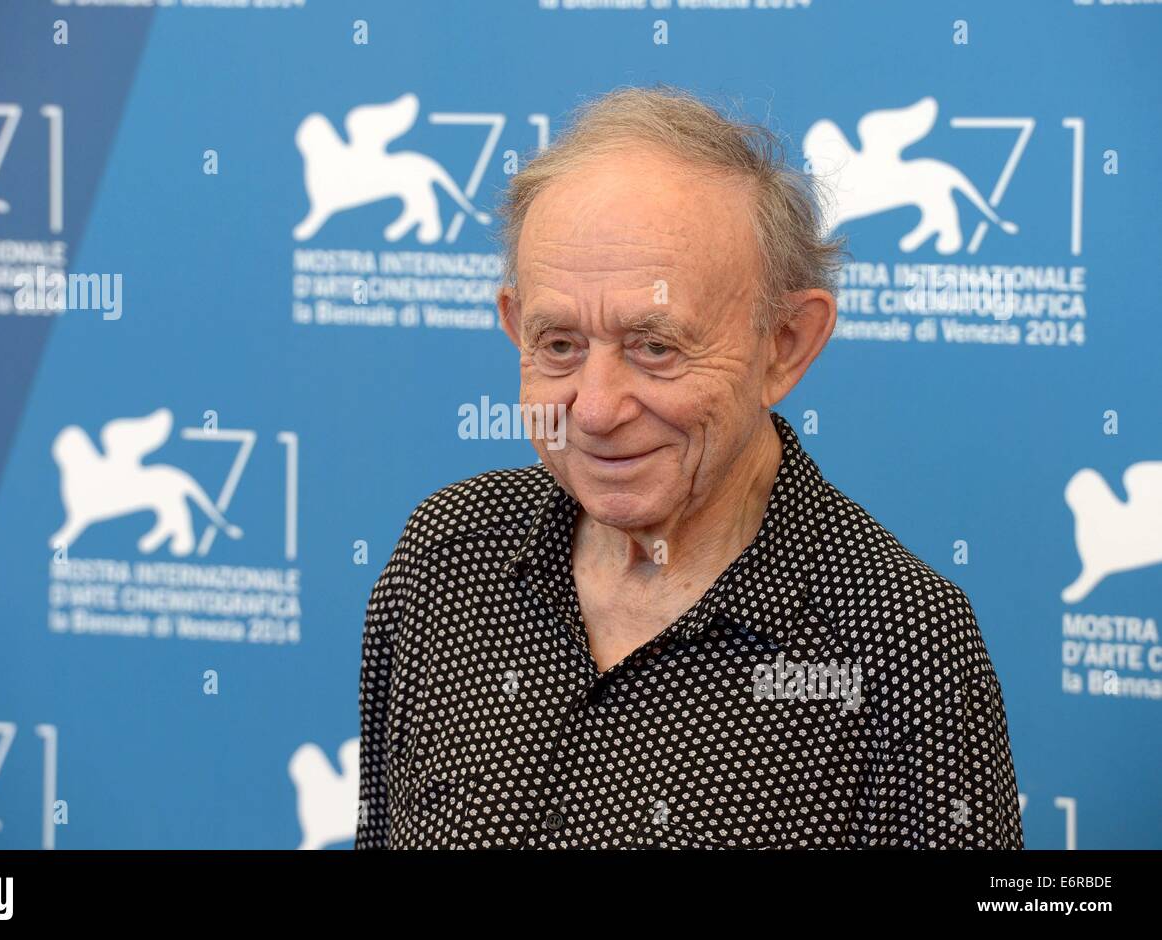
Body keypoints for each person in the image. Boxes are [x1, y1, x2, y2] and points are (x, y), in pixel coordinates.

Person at [356, 85, 1022, 849]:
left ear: (786, 345)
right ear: (513, 328)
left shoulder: (903, 644)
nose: (598, 409)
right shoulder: (444, 556)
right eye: (560, 345)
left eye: (656, 346)